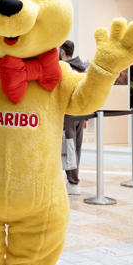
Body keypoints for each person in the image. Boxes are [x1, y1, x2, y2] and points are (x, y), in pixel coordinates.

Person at [60, 40, 88, 195]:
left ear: (62, 51)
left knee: (68, 147)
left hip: (68, 114)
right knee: (76, 147)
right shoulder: (81, 68)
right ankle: (73, 181)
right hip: (80, 113)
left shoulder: (65, 68)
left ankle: (73, 182)